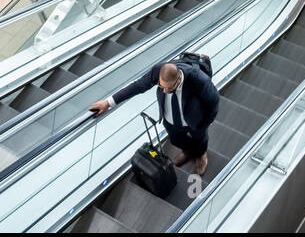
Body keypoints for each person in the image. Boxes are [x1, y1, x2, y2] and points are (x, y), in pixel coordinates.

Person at [89, 59, 220, 175]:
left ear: (178, 79)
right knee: (176, 140)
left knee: (200, 138)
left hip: (194, 119)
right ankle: (188, 152)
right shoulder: (159, 70)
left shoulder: (198, 80)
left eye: (168, 88)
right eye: (161, 86)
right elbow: (138, 86)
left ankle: (201, 155)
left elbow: (213, 100)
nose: (164, 91)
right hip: (170, 119)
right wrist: (108, 102)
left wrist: (207, 121)